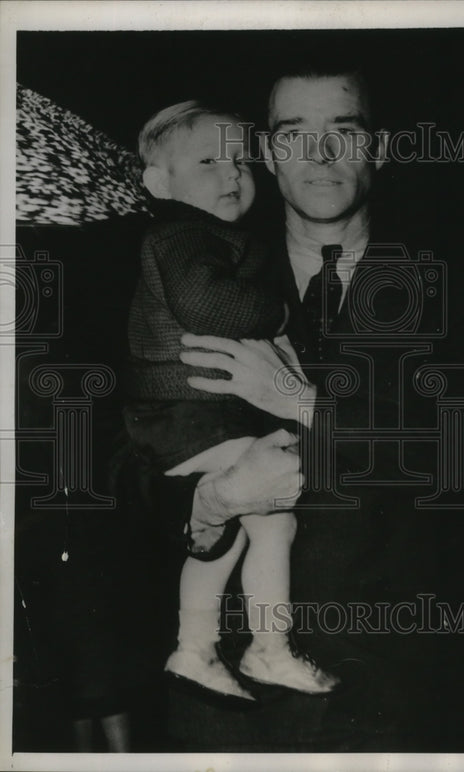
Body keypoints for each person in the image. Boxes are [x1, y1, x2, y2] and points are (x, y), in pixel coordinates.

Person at [171, 63, 441, 749]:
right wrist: (210, 509)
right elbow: (119, 470)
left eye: (342, 132)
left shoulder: (460, 287)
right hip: (229, 705)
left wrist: (297, 400)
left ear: (378, 149)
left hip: (390, 698)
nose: (318, 155)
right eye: (295, 134)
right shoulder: (198, 278)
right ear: (266, 152)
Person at [123, 100, 338, 704]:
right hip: (184, 414)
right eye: (210, 159)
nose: (233, 173)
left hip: (188, 418)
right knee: (271, 519)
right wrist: (279, 312)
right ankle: (265, 649)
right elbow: (209, 308)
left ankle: (195, 647)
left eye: (243, 159)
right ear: (159, 182)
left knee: (242, 529)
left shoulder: (215, 236)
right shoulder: (179, 234)